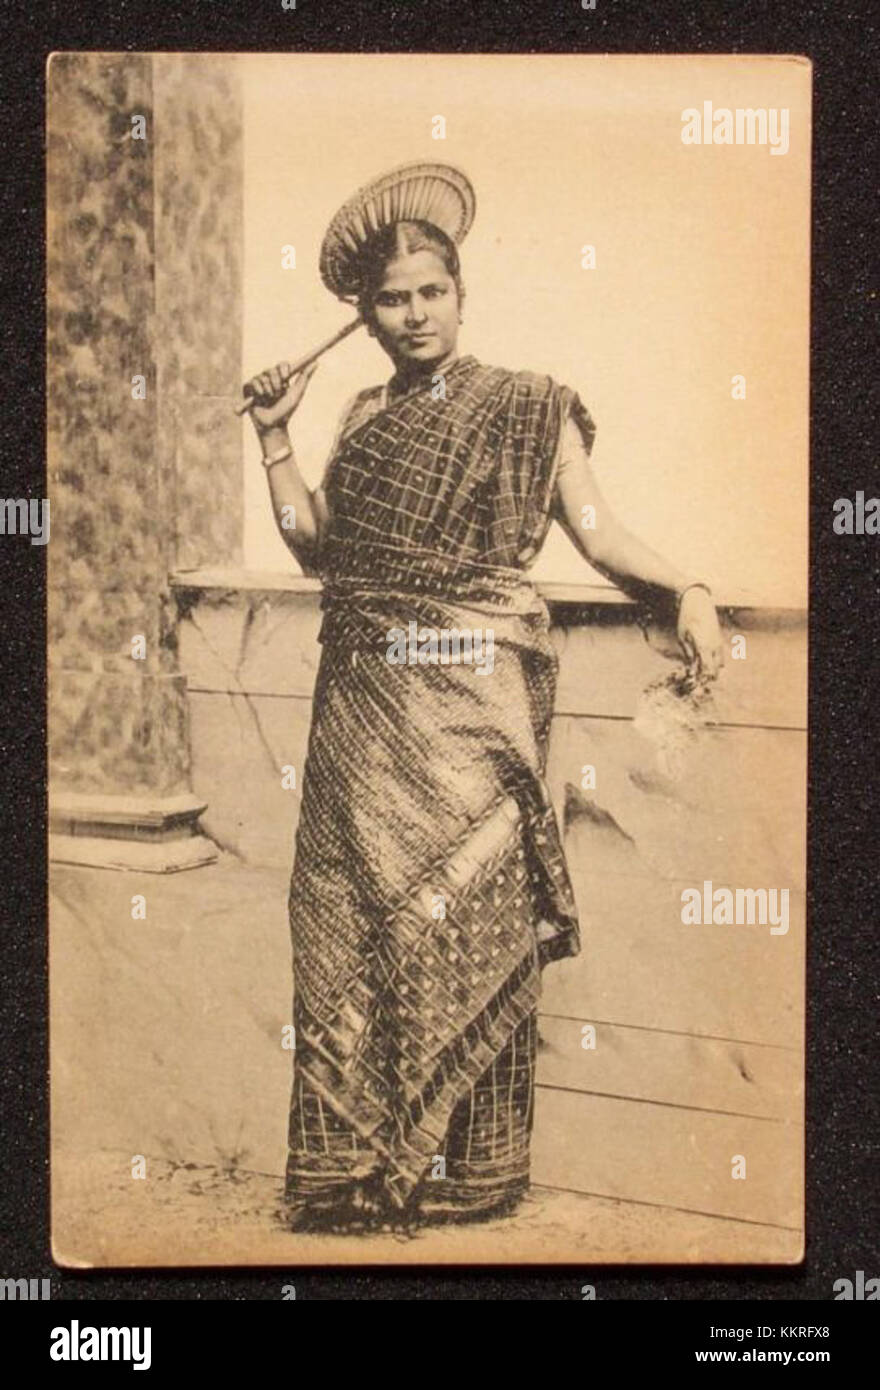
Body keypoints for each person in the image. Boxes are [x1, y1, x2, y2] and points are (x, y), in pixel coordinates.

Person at [243, 172, 722, 1234]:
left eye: (429, 292)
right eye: (390, 300)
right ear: (362, 317)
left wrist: (684, 585)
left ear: (460, 293)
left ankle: (480, 1165)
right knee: (342, 927)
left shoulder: (528, 405)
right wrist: (275, 436)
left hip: (474, 707)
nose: (412, 314)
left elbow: (596, 534)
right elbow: (320, 549)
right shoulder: (361, 418)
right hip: (361, 712)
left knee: (479, 913)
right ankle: (348, 1169)